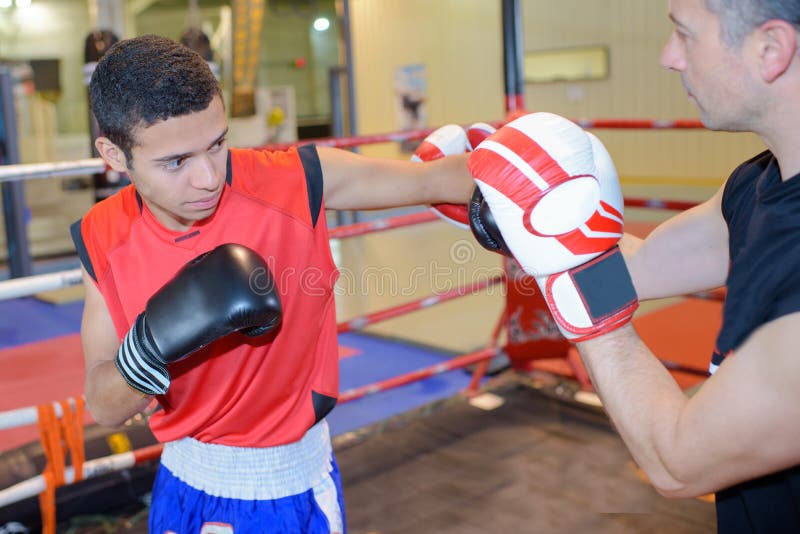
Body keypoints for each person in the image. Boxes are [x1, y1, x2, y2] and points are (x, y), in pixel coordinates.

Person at [70, 34, 474, 533]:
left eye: (217, 144)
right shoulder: (101, 235)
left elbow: (442, 180)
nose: (207, 178)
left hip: (288, 489)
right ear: (113, 154)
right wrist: (151, 348)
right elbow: (105, 404)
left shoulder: (296, 180)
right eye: (176, 162)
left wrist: (546, 169)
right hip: (180, 486)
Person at [466, 1, 800, 532]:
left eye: (685, 36)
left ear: (771, 49)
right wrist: (520, 211)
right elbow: (636, 264)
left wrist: (585, 309)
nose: (669, 57)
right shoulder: (757, 186)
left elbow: (679, 461)